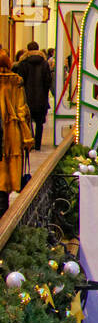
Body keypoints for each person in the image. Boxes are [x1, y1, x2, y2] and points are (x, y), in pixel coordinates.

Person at [0, 52, 34, 216]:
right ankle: (3, 206)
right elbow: (21, 112)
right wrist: (27, 137)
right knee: (8, 168)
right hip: (12, 132)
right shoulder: (15, 82)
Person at [14, 41, 51, 152]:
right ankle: (38, 144)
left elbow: (20, 81)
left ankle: (30, 142)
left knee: (28, 121)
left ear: (28, 49)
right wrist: (45, 92)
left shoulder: (23, 63)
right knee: (39, 123)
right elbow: (48, 81)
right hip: (41, 98)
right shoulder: (44, 63)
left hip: (27, 98)